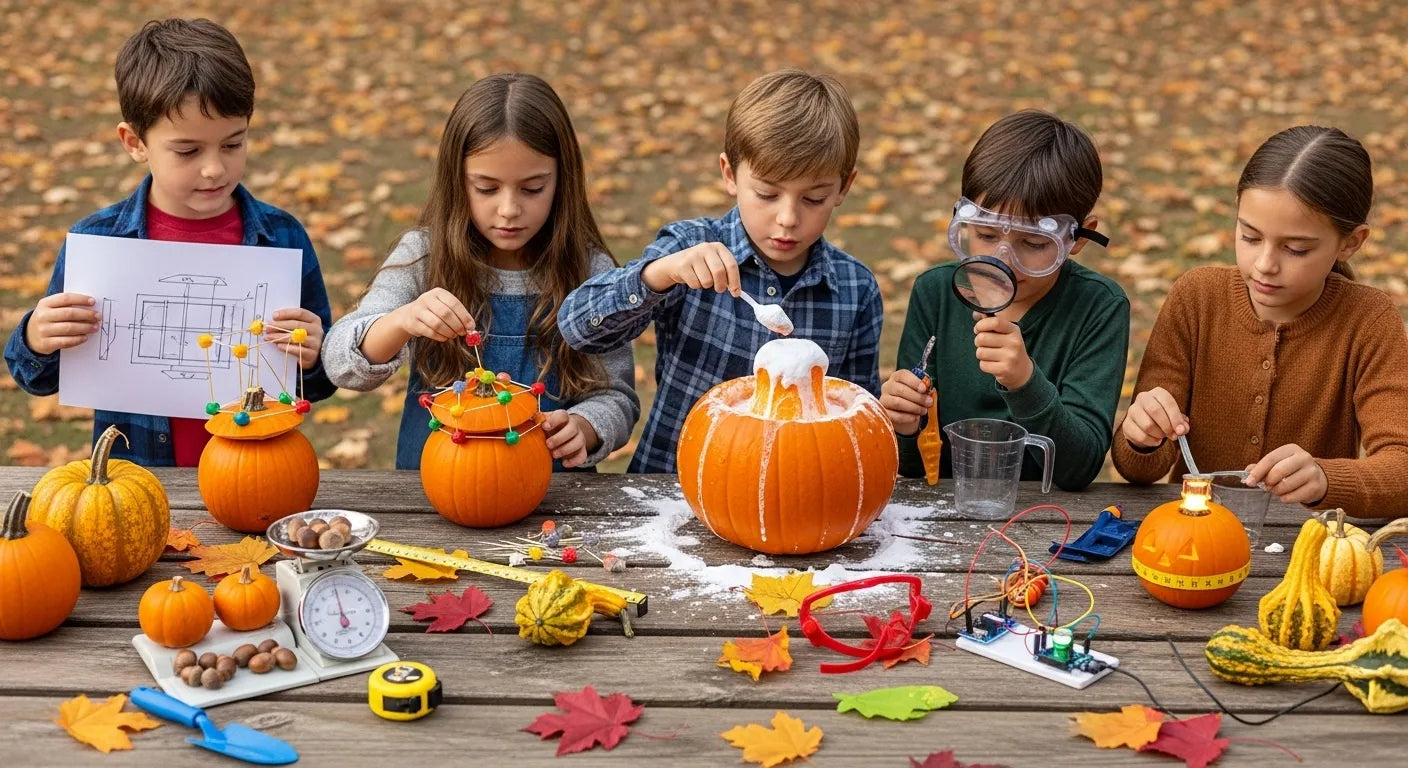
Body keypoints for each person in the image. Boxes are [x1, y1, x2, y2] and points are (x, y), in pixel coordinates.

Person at [4, 18, 335, 466]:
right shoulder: (98, 242)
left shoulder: (282, 238)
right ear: (135, 142)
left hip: (254, 473)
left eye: (232, 144)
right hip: (138, 476)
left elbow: (317, 383)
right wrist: (37, 338)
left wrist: (314, 355)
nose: (214, 169)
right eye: (187, 151)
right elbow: (37, 379)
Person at [557, 68, 883, 473]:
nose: (787, 218)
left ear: (844, 187)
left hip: (793, 489)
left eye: (813, 199)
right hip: (670, 484)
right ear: (730, 175)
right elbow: (577, 329)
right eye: (767, 194)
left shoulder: (855, 289)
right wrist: (658, 275)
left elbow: (855, 419)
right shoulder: (688, 249)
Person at [323, 74, 638, 471]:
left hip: (553, 495)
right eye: (487, 189)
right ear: (458, 181)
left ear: (562, 181)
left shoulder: (589, 270)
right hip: (434, 493)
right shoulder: (424, 256)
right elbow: (340, 363)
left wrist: (585, 426)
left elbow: (617, 396)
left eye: (532, 189)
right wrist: (401, 321)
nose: (509, 210)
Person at [1114, 126, 1408, 515]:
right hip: (1196, 533)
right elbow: (1139, 469)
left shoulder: (1369, 320)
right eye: (1250, 237)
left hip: (1309, 542)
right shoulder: (1196, 298)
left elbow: (1401, 469)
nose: (1265, 264)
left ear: (1351, 242)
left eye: (1296, 249)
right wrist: (1141, 438)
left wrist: (1325, 479)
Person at [880, 110, 1128, 490]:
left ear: (1078, 238)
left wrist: (1025, 382)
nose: (1003, 261)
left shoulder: (1099, 308)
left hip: (1045, 513)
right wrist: (905, 424)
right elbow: (913, 469)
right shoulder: (935, 293)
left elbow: (1078, 469)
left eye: (1033, 243)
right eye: (985, 234)